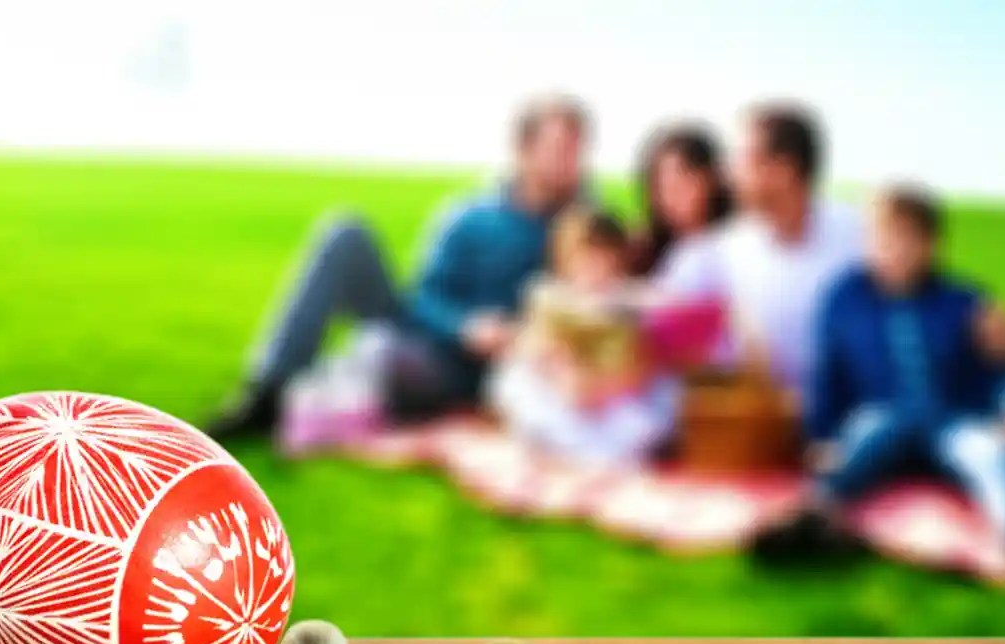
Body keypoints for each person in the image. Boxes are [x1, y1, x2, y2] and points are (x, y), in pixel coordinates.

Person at [206, 94, 592, 440]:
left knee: (378, 352)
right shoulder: (470, 216)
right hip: (438, 339)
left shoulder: (585, 228)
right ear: (523, 150)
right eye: (560, 149)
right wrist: (465, 327)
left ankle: (334, 389)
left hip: (480, 373)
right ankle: (266, 392)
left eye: (577, 151)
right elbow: (424, 294)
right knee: (345, 231)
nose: (570, 162)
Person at [802, 187, 1005, 546]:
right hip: (883, 417)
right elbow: (827, 374)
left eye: (906, 238)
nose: (893, 251)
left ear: (932, 245)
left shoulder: (964, 300)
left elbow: (1000, 369)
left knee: (990, 455)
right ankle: (815, 518)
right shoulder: (844, 299)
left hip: (951, 422)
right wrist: (821, 437)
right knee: (865, 435)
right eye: (882, 238)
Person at [489, 209, 679, 465]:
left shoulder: (625, 296)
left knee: (647, 412)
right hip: (565, 385)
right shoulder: (551, 295)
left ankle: (595, 452)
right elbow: (536, 345)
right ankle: (563, 445)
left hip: (613, 389)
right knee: (512, 380)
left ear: (618, 261)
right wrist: (563, 373)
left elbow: (657, 326)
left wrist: (609, 386)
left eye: (604, 258)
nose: (595, 268)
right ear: (564, 261)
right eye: (584, 259)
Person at [715, 103, 863, 391]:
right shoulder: (731, 248)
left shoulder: (859, 236)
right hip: (767, 416)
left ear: (784, 170)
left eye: (741, 160)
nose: (727, 174)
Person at [631, 123, 734, 297]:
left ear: (711, 179)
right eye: (662, 187)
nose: (672, 197)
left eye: (683, 183)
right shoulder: (642, 252)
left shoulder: (736, 246)